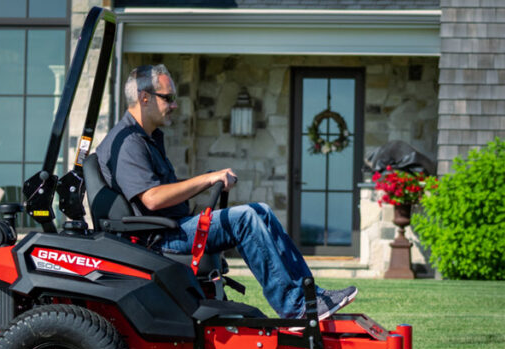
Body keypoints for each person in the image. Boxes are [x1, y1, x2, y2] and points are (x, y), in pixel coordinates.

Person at [96, 64, 356, 320]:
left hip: (174, 227)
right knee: (246, 219)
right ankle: (293, 305)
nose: (174, 105)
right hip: (161, 238)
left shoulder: (147, 138)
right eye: (169, 98)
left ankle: (309, 296)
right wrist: (209, 178)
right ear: (144, 98)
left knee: (260, 211)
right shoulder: (129, 142)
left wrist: (207, 181)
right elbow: (152, 199)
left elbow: (160, 190)